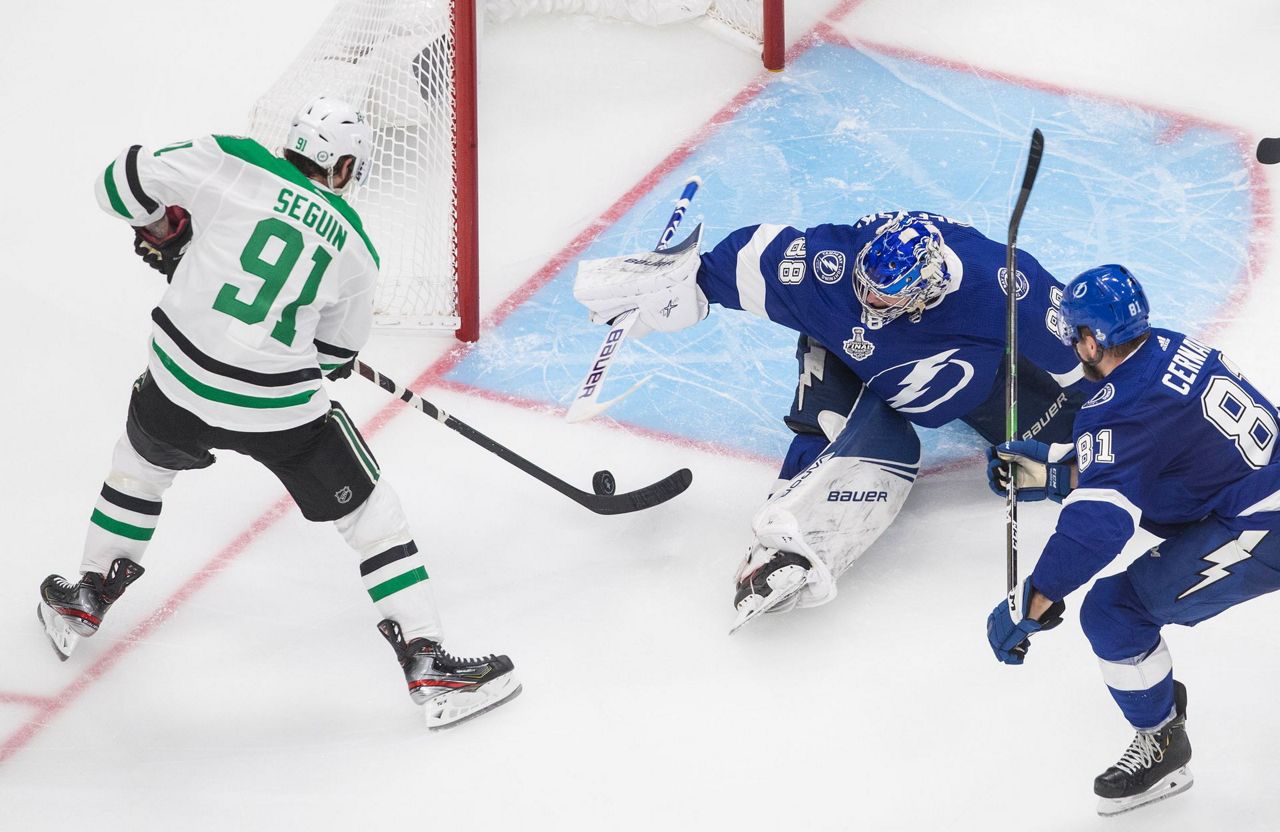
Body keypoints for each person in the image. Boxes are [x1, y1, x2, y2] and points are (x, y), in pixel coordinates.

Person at [37, 96, 520, 729]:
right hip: (276, 409)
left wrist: (163, 229)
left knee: (138, 469)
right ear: (345, 168)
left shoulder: (234, 161)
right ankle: (427, 661)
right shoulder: (355, 248)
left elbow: (115, 183)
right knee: (373, 515)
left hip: (176, 383)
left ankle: (88, 593)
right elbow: (332, 355)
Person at [574, 209, 1090, 631]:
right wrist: (679, 287)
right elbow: (741, 262)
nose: (869, 304)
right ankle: (785, 535)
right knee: (823, 406)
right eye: (865, 288)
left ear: (928, 291)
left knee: (1068, 438)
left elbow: (1086, 354)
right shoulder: (829, 266)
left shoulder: (1001, 287)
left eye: (885, 299)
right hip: (853, 363)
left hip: (981, 380)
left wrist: (1107, 431)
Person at [985, 264, 1280, 815]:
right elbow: (1159, 452)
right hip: (1260, 482)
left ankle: (1162, 744)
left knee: (1115, 611)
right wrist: (1057, 473)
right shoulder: (1170, 347)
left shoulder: (1117, 410)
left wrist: (1035, 598)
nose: (1074, 348)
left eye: (1076, 337)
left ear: (1094, 341)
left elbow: (1102, 524)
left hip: (1264, 521)